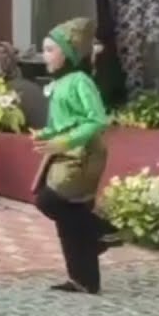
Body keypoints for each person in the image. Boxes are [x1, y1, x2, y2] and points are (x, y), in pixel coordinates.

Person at [33, 18, 122, 295]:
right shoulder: (61, 82)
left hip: (84, 154)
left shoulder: (81, 81)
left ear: (66, 54)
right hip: (65, 152)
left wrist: (65, 141)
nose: (44, 56)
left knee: (49, 200)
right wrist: (45, 134)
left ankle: (102, 231)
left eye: (50, 50)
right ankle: (83, 279)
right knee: (70, 213)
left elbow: (97, 120)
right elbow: (63, 122)